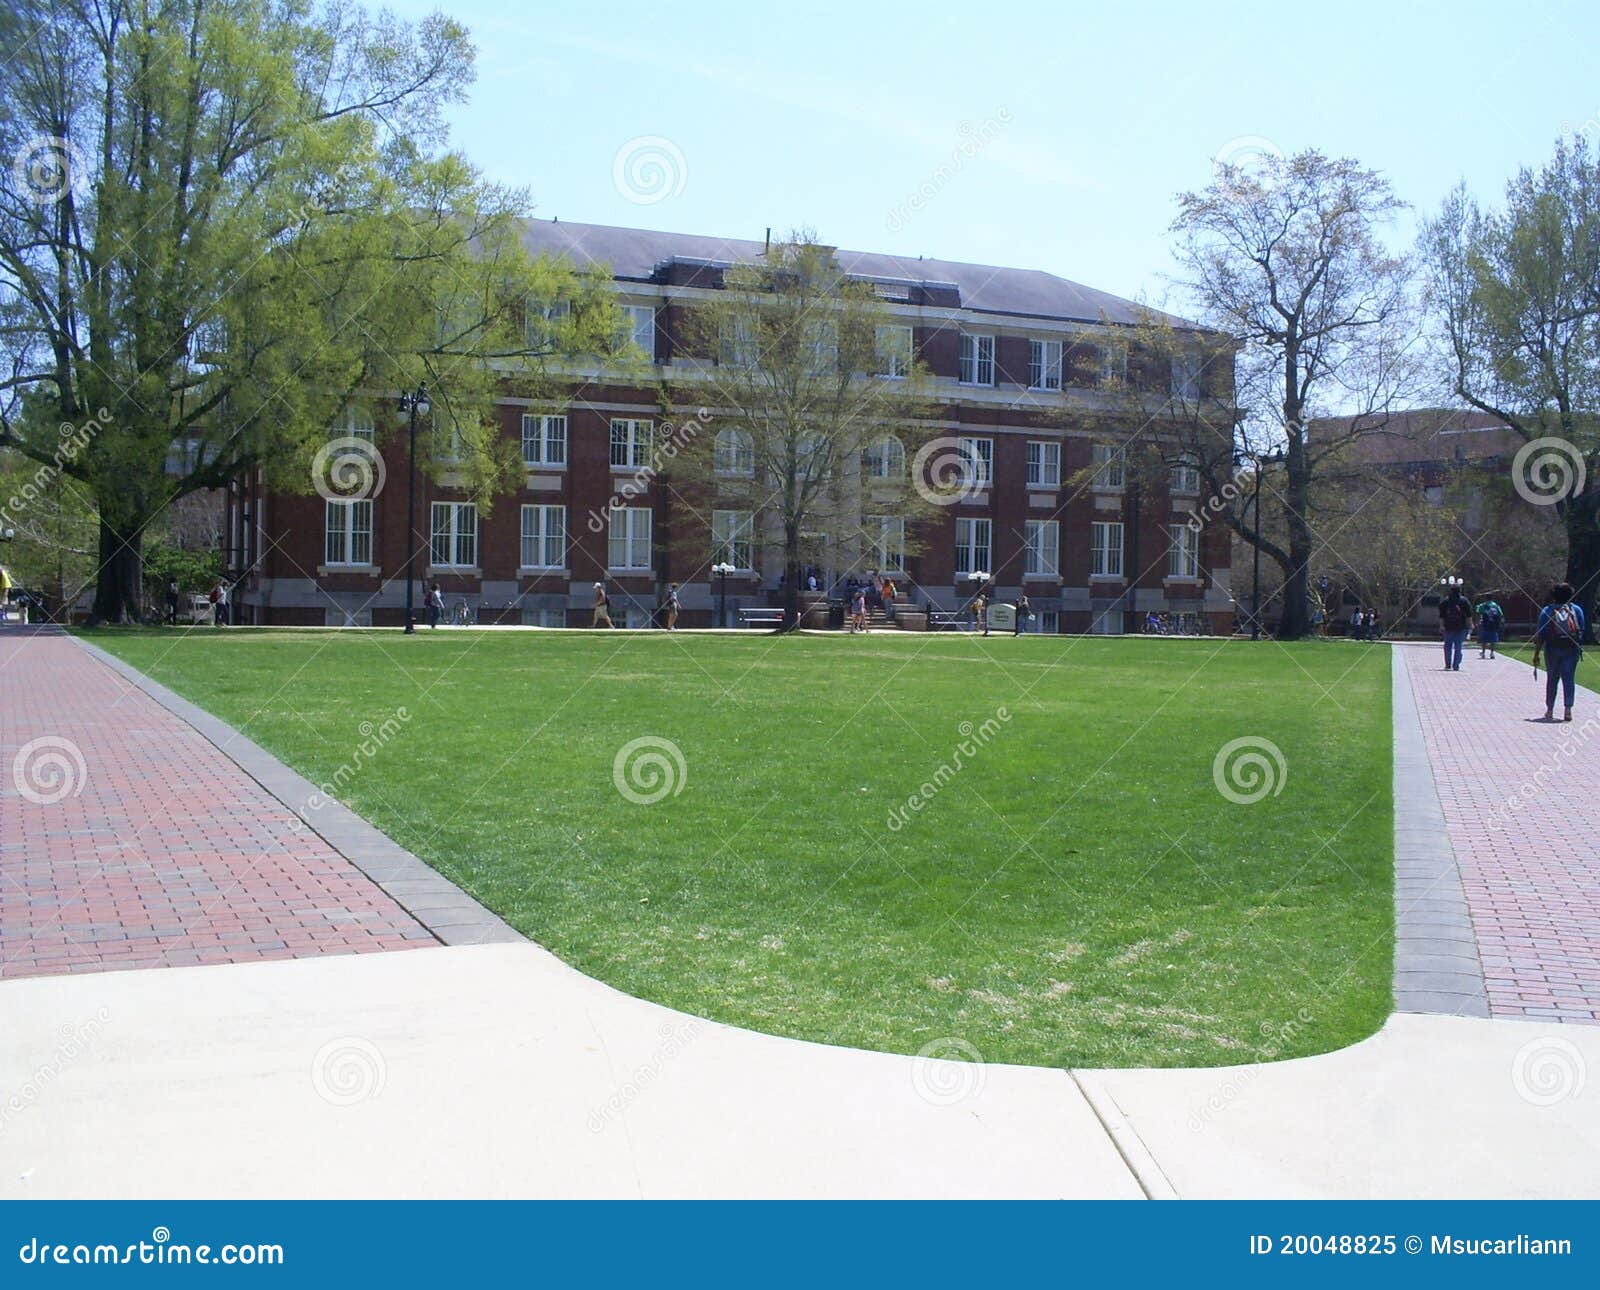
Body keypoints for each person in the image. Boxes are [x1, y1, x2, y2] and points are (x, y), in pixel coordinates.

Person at [1533, 582, 1585, 722]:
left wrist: (1537, 653)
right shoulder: (1576, 610)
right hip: (1571, 648)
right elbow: (1581, 630)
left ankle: (1550, 710)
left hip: (1552, 648)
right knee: (1569, 679)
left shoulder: (1547, 610)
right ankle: (1568, 709)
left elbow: (1541, 634)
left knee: (1552, 679)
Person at [1438, 585, 1471, 670]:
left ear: (1450, 591)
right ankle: (1456, 665)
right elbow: (1468, 615)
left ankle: (1448, 664)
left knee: (1447, 646)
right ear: (1459, 591)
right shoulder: (1464, 601)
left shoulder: (1445, 601)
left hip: (1448, 627)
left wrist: (1441, 626)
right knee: (1458, 647)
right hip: (1461, 627)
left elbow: (1441, 616)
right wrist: (1470, 626)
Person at [1474, 592, 1505, 659]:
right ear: (1492, 598)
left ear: (1485, 598)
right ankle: (1492, 653)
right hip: (1493, 624)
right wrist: (1501, 623)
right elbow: (1501, 614)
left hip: (1484, 624)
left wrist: (1477, 622)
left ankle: (1483, 653)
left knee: (1484, 639)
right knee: (1493, 639)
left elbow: (1478, 613)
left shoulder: (1482, 605)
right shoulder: (1496, 606)